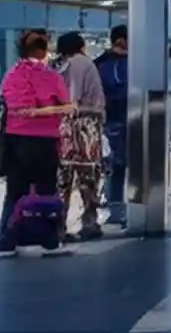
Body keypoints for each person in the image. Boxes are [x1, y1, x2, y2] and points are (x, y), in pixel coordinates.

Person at [0, 29, 73, 257]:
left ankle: (7, 240)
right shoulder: (50, 76)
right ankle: (49, 241)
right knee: (46, 190)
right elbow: (65, 104)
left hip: (15, 139)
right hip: (44, 141)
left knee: (15, 191)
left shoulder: (11, 75)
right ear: (42, 51)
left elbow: (9, 104)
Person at [54, 32, 107, 242]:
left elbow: (67, 97)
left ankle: (59, 227)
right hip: (88, 127)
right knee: (89, 177)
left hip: (69, 126)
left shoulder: (66, 64)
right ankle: (90, 221)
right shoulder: (86, 64)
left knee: (64, 178)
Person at [95, 24, 128, 227]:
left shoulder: (99, 63)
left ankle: (116, 209)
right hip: (127, 119)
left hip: (110, 121)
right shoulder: (132, 63)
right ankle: (129, 207)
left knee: (115, 166)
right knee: (127, 165)